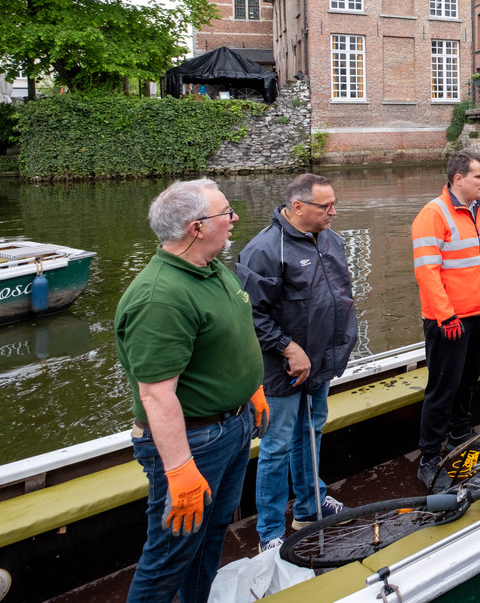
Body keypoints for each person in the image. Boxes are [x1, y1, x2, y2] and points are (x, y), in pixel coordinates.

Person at [114, 179, 267, 603]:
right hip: (195, 441)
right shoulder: (159, 298)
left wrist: (250, 387)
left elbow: (228, 335)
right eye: (226, 213)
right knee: (169, 555)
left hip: (232, 425)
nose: (234, 219)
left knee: (211, 535)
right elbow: (156, 395)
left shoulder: (211, 266)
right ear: (196, 227)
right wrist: (180, 469)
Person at [236, 173, 358, 551]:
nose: (333, 211)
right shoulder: (266, 250)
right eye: (327, 206)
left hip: (321, 362)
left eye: (334, 203)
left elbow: (338, 295)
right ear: (298, 207)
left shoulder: (331, 239)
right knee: (276, 446)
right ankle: (270, 533)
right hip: (282, 369)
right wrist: (289, 348)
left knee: (312, 432)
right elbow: (251, 315)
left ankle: (310, 505)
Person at [411, 150, 480, 491]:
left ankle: (461, 432)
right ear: (459, 179)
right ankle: (429, 457)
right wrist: (446, 316)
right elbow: (427, 274)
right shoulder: (433, 215)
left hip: (479, 313)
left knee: (469, 377)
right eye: (479, 177)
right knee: (443, 387)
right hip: (449, 320)